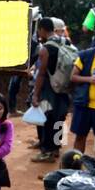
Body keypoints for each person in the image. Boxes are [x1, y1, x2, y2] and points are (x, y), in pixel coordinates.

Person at [31, 17, 73, 163]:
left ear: (42, 30)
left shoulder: (46, 49)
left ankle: (47, 151)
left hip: (50, 87)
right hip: (64, 86)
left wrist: (36, 95)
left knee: (47, 118)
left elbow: (41, 74)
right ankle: (56, 148)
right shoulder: (66, 42)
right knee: (60, 118)